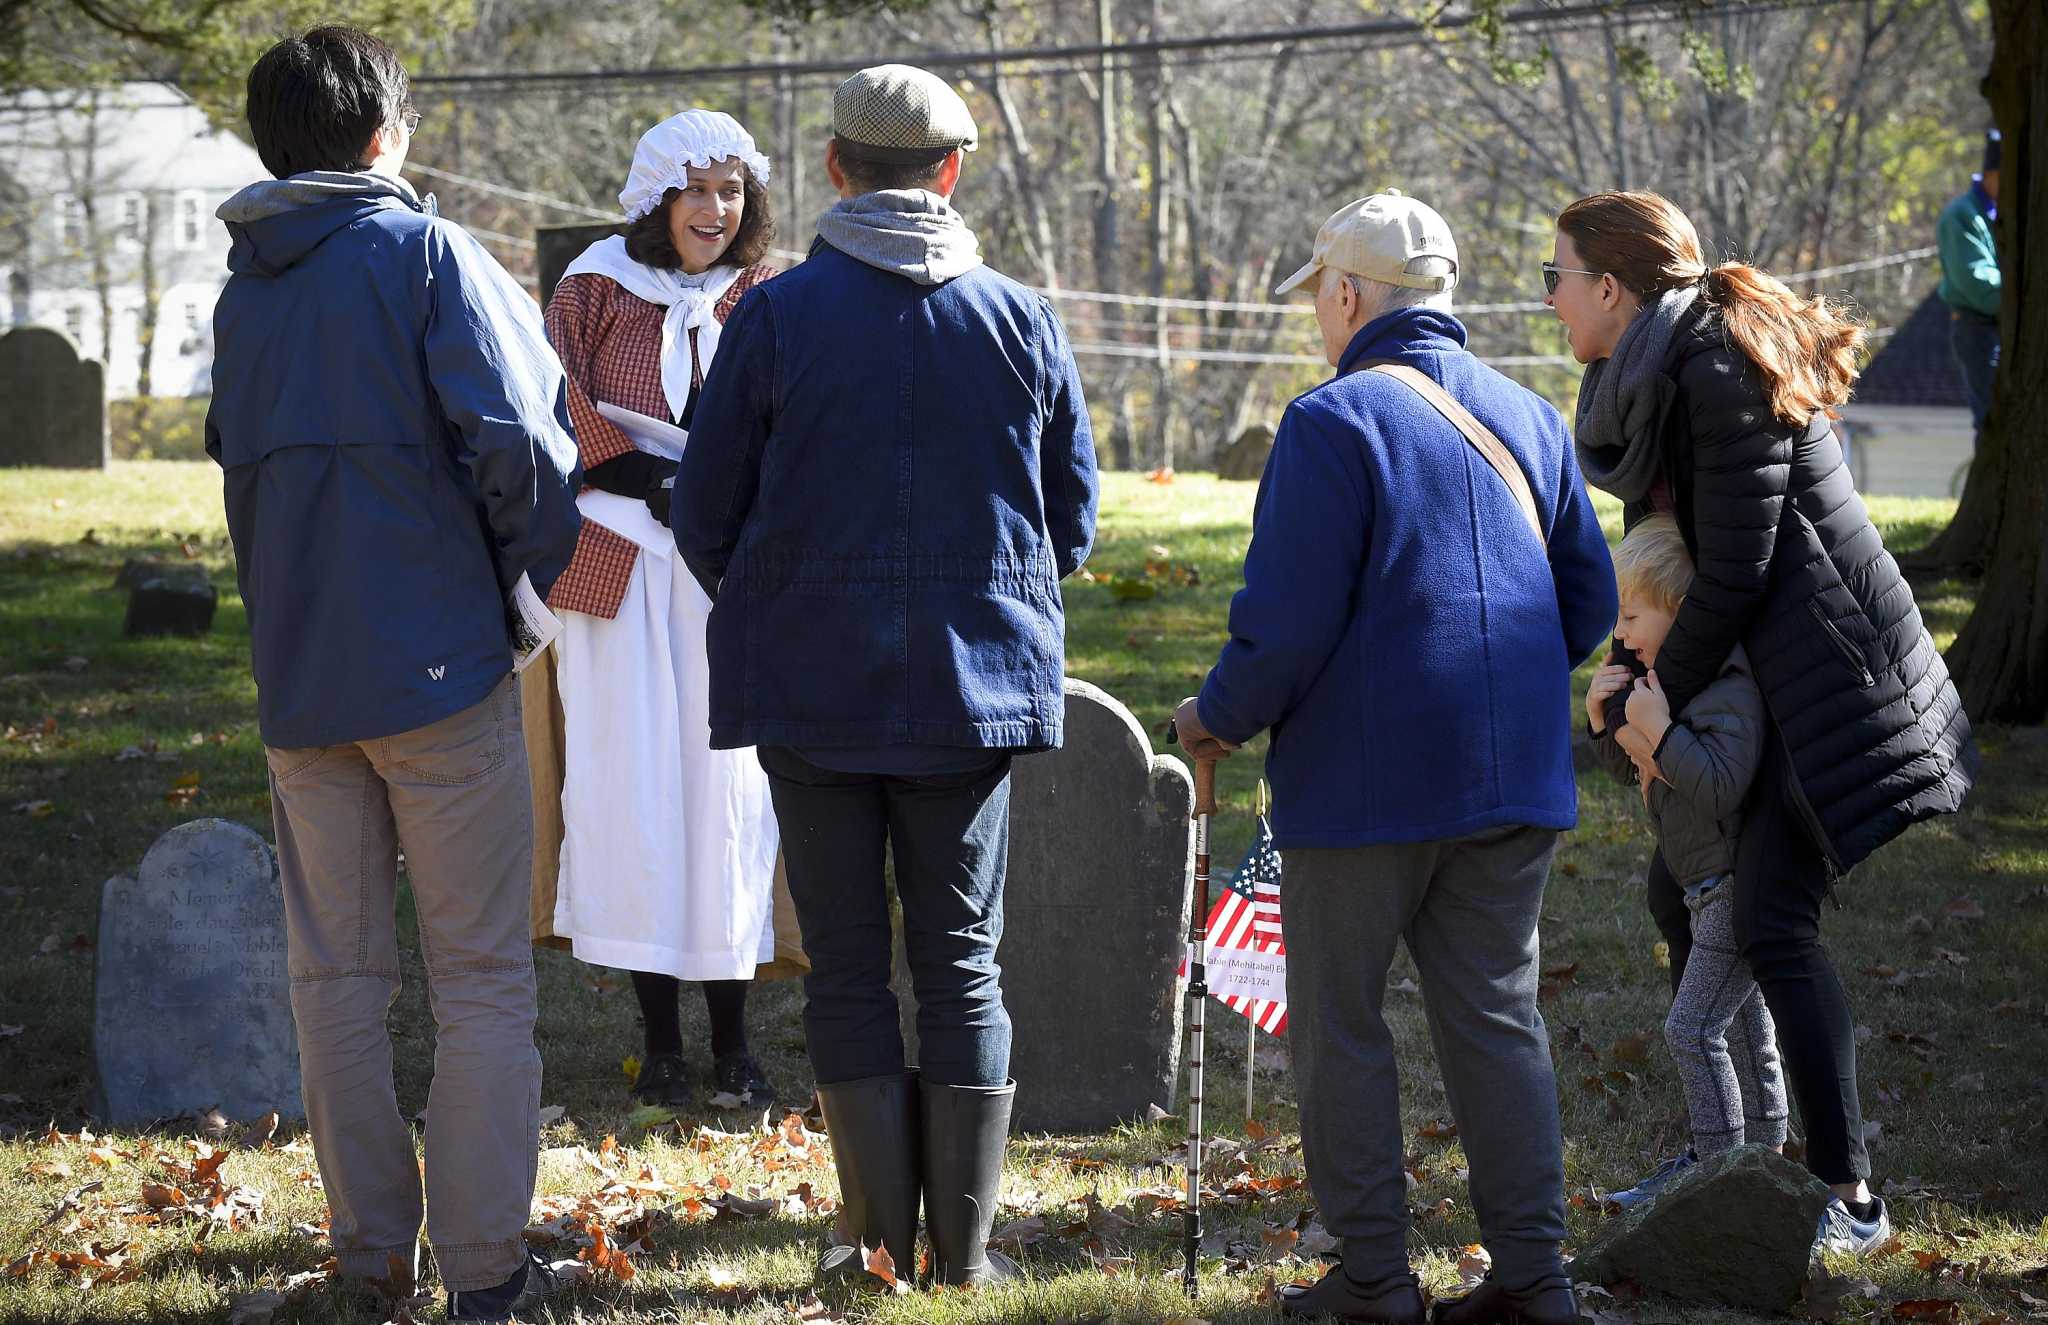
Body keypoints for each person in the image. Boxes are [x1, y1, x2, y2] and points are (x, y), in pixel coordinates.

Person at [671, 63, 1098, 1288]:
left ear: (832, 170)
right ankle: (959, 1255)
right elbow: (1067, 522)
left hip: (812, 687)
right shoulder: (1020, 317)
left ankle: (877, 1245)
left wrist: (782, 596)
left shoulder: (773, 318)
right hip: (970, 687)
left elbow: (706, 514)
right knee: (959, 956)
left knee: (850, 963)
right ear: (953, 172)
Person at [1172, 192, 1617, 1325]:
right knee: (1495, 1020)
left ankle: (1372, 1277)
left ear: (1345, 294)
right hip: (1511, 776)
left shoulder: (1328, 421)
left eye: (1320, 299)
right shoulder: (1529, 413)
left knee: (1340, 1027)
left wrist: (1213, 716)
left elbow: (1282, 627)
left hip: (1364, 790)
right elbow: (1584, 605)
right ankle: (1533, 1278)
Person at [207, 26, 581, 1323]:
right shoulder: (423, 254)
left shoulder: (244, 289)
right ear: (384, 137)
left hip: (302, 679)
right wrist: (522, 614)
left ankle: (372, 1261)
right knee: (479, 977)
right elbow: (528, 445)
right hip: (438, 675)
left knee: (338, 984)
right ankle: (487, 1277)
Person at [1551, 189, 1976, 1255]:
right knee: (1678, 891)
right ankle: (1733, 1151)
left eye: (1553, 278)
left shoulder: (1709, 365)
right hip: (1757, 669)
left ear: (1609, 288)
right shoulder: (1647, 372)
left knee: (1770, 923)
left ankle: (1849, 1196)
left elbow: (1734, 569)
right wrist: (1628, 669)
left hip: (1819, 679)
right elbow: (1666, 563)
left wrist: (1660, 697)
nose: (1549, 300)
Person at [533, 109, 782, 1112]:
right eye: (695, 189)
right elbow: (548, 396)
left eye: (730, 190)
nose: (714, 209)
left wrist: (718, 488)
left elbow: (788, 404)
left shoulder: (765, 293)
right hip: (618, 560)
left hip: (727, 568)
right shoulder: (593, 286)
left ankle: (733, 1036)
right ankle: (659, 1039)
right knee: (631, 789)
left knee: (725, 792)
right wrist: (632, 471)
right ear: (654, 197)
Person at [1586, 516, 1789, 1208]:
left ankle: (1720, 1163)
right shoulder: (1661, 679)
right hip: (1703, 887)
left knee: (1692, 1027)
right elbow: (1631, 769)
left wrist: (1662, 734)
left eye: (1632, 613)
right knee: (1749, 1018)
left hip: (1732, 884)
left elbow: (1719, 781)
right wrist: (1601, 720)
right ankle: (1764, 1157)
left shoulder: (1723, 682)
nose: (1621, 629)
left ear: (1677, 608)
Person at [1936, 128, 2002, 454]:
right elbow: (1980, 287)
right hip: (1977, 329)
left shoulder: (1997, 212)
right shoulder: (1962, 216)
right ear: (1993, 173)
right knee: (1993, 418)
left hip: (1998, 327)